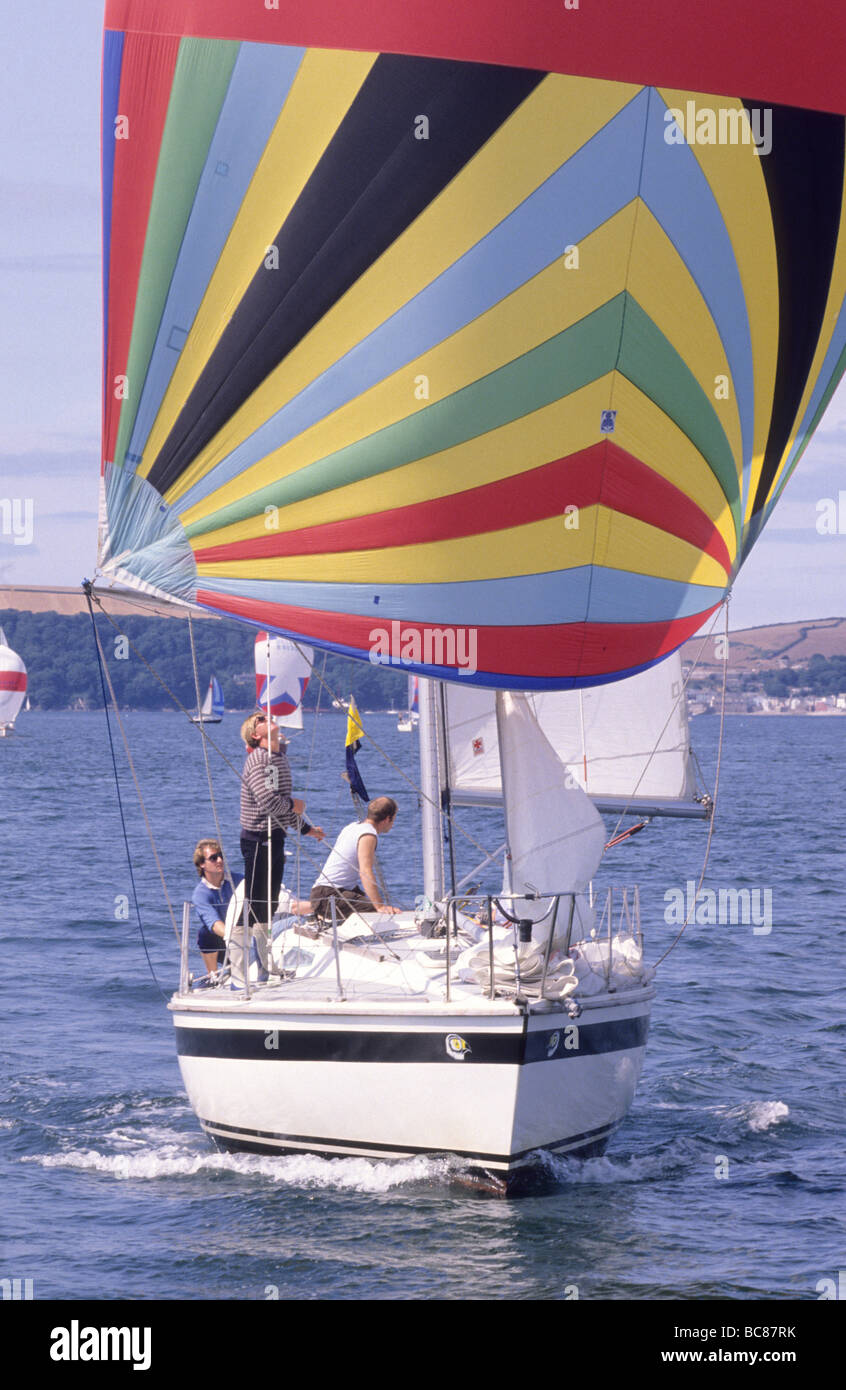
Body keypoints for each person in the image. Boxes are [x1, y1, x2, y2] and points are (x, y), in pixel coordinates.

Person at [240, 713, 324, 966]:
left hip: (275, 837)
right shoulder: (260, 759)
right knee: (256, 903)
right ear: (256, 734)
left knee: (271, 902)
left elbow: (279, 804)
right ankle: (240, 969)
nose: (268, 717)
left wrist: (306, 829)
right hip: (257, 838)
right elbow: (268, 801)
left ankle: (265, 964)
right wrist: (294, 804)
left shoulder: (277, 758)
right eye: (261, 719)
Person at [311, 796, 402, 922]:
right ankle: (322, 918)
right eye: (394, 820)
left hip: (320, 893)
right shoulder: (368, 835)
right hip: (330, 897)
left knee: (368, 901)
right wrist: (379, 906)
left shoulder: (352, 827)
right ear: (388, 819)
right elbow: (365, 872)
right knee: (377, 913)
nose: (393, 824)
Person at [192, 838, 239, 975]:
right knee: (205, 933)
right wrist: (236, 937)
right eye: (213, 858)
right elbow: (214, 924)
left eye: (221, 856)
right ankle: (213, 976)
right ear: (202, 864)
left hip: (245, 934)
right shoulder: (200, 894)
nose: (219, 860)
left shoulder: (238, 880)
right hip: (226, 941)